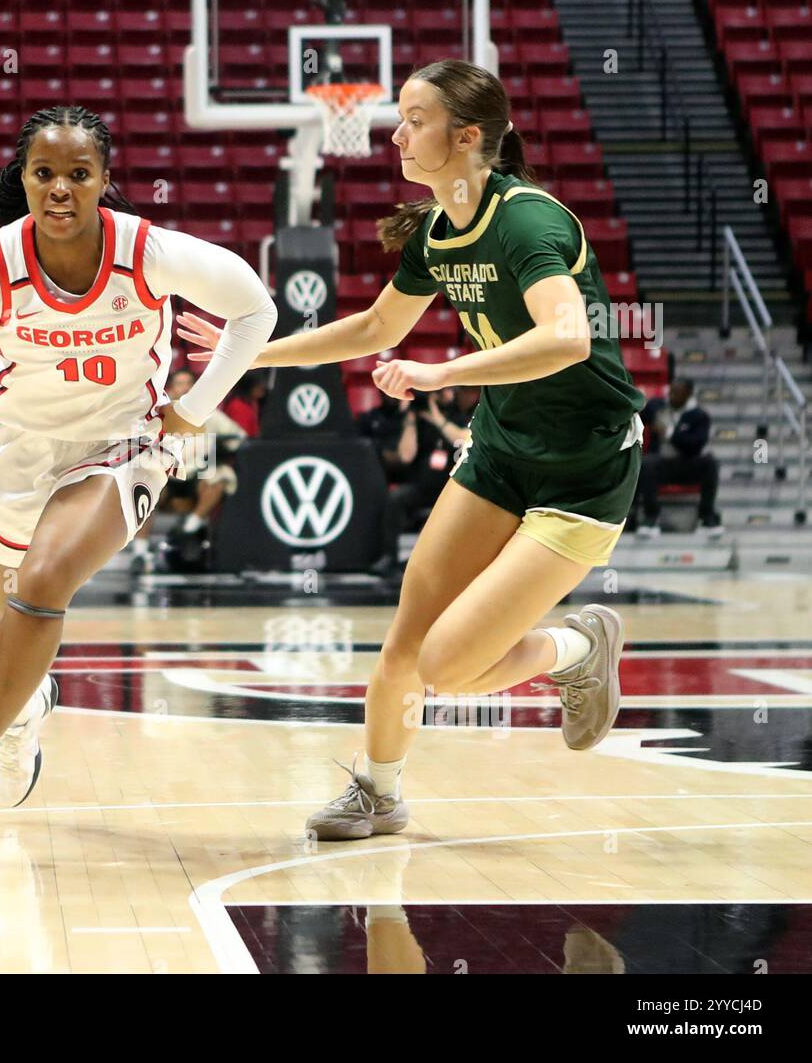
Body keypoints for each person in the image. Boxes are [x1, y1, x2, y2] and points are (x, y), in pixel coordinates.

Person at [179, 58, 645, 841]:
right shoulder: (437, 231)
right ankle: (379, 792)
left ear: (466, 138)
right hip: (502, 451)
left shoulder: (530, 221)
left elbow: (567, 339)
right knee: (407, 637)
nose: (396, 132)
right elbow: (372, 330)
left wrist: (444, 371)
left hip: (585, 467)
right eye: (397, 115)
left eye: (415, 119)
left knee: (448, 664)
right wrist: (245, 354)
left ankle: (577, 644)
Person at [0, 106, 276, 847]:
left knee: (42, 586)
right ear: (26, 179)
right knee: (6, 627)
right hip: (18, 456)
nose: (62, 190)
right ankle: (23, 710)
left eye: (80, 174)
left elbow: (254, 310)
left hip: (121, 447)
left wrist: (194, 410)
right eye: (46, 174)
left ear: (106, 181)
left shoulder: (149, 251)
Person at [132, 367, 246, 572]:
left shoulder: (211, 416)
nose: (184, 388)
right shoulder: (157, 417)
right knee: (145, 485)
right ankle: (140, 554)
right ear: (171, 390)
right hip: (166, 477)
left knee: (220, 475)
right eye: (180, 384)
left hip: (197, 475)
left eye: (189, 384)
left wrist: (220, 448)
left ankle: (187, 530)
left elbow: (239, 438)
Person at [360, 386, 474, 578]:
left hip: (451, 486)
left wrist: (437, 419)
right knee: (396, 498)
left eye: (444, 391)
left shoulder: (457, 416)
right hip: (422, 484)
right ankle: (389, 556)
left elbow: (463, 440)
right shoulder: (415, 420)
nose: (443, 395)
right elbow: (405, 456)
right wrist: (411, 419)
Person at [633, 377, 722, 537]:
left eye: (677, 393)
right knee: (647, 463)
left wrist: (668, 433)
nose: (671, 395)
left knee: (711, 463)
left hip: (687, 464)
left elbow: (695, 445)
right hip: (662, 465)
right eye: (671, 391)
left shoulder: (699, 416)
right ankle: (651, 518)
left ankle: (707, 516)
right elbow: (637, 416)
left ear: (688, 394)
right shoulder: (657, 407)